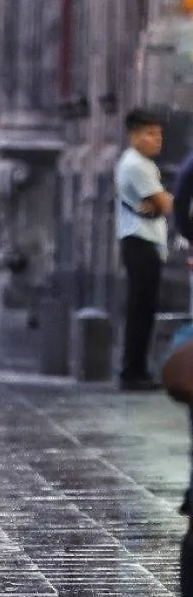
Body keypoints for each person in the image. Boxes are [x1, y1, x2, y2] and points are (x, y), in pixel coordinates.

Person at [115, 107, 171, 391]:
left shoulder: (143, 164)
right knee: (141, 309)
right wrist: (163, 201)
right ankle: (133, 371)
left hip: (145, 242)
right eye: (150, 133)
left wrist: (160, 202)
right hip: (140, 242)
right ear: (134, 136)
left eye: (159, 133)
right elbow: (165, 204)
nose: (157, 139)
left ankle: (137, 369)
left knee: (144, 308)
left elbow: (160, 204)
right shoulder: (136, 165)